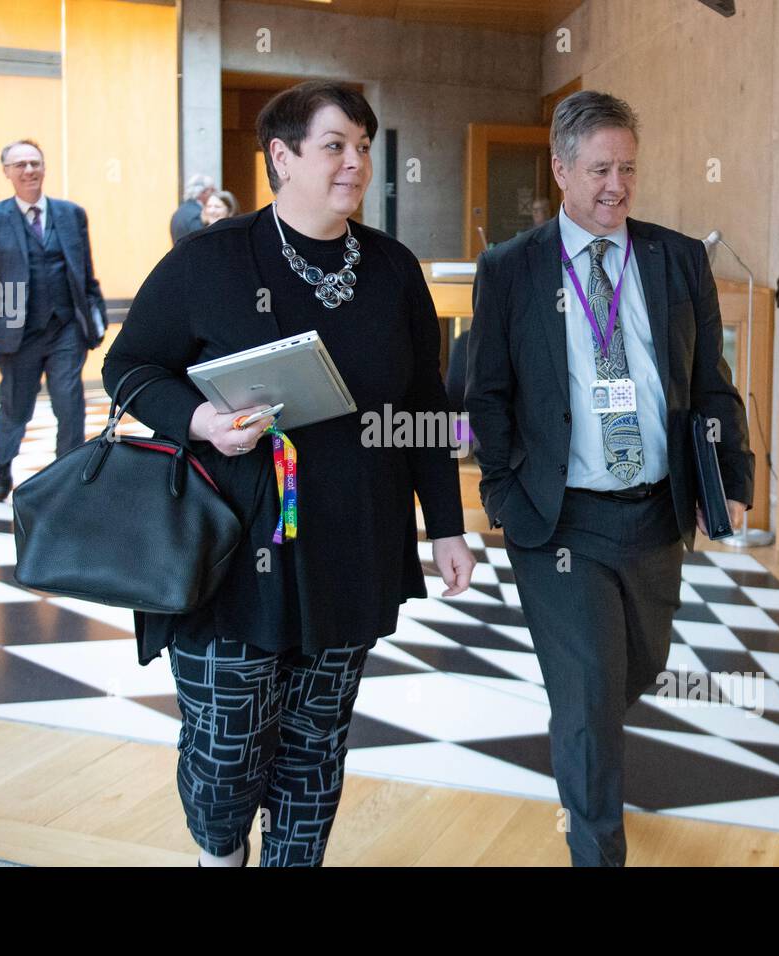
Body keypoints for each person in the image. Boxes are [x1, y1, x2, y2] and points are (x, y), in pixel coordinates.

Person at [102, 80, 476, 868]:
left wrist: (446, 524)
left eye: (365, 146)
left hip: (352, 541)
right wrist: (199, 420)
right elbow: (129, 366)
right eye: (336, 145)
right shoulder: (209, 261)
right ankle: (220, 851)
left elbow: (423, 403)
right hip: (233, 548)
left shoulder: (392, 269)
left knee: (315, 751)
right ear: (282, 156)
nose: (356, 163)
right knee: (226, 749)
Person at [465, 90, 754, 867]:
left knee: (633, 670)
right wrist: (499, 489)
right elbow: (484, 392)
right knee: (591, 699)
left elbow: (712, 382)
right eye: (598, 169)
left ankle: (581, 753)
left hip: (656, 512)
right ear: (561, 169)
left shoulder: (677, 257)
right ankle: (597, 846)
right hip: (560, 519)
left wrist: (730, 474)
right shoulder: (512, 269)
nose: (615, 186)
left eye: (627, 167)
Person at [0, 138, 107, 501]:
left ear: (43, 167)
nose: (29, 170)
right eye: (20, 165)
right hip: (17, 335)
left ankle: (69, 478)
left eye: (34, 163)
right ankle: (3, 462)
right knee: (16, 410)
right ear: (7, 173)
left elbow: (86, 273)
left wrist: (96, 318)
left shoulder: (71, 214)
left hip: (66, 330)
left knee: (70, 404)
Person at [169, 173, 215, 244]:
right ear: (203, 192)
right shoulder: (198, 215)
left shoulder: (180, 211)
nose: (215, 192)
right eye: (212, 190)